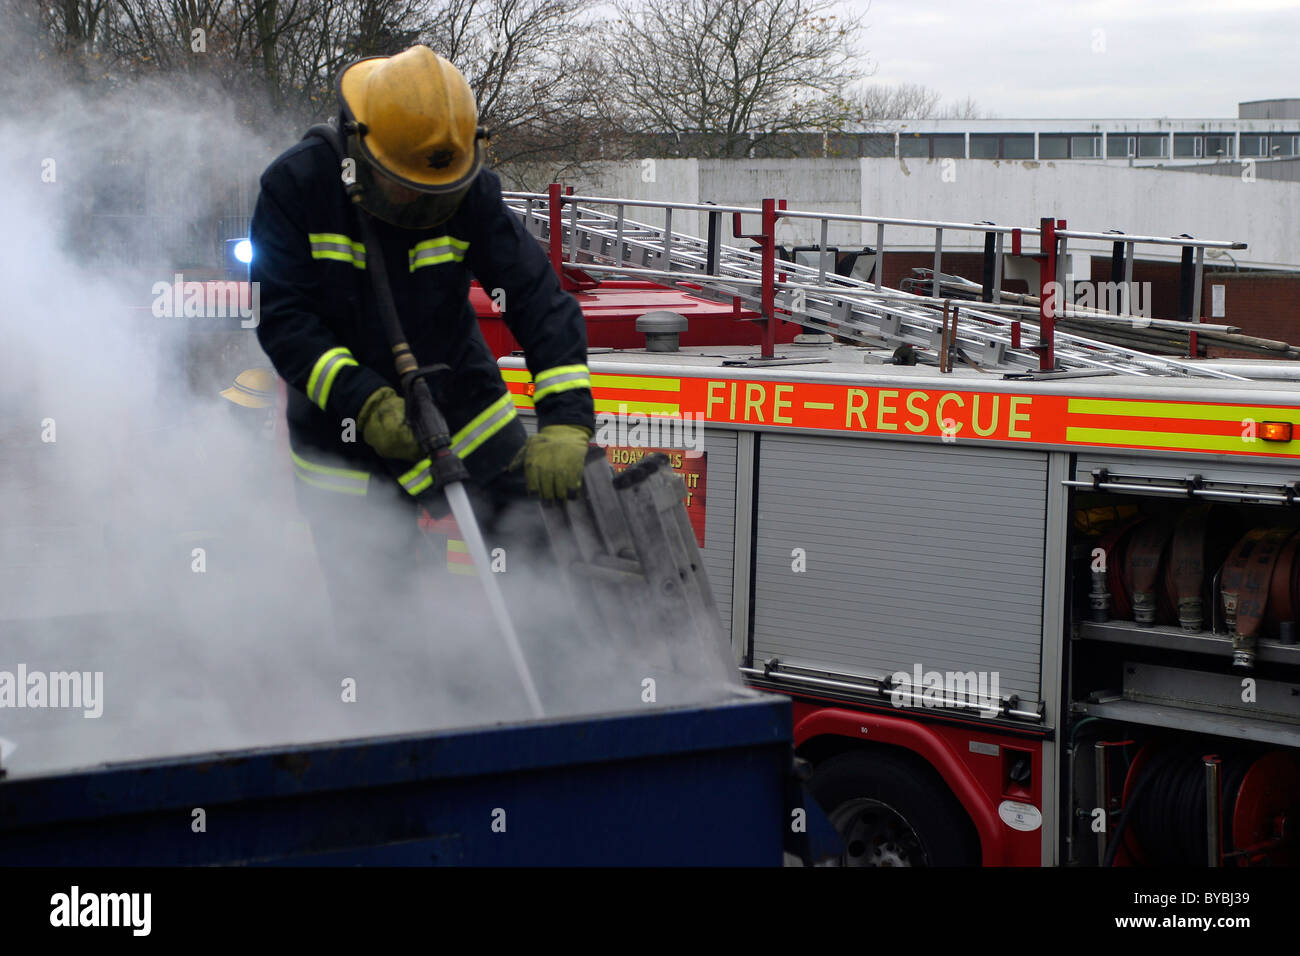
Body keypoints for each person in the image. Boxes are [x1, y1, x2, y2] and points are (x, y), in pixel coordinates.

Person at [249, 45, 594, 638]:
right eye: (408, 186)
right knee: (385, 627)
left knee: (544, 574)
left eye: (442, 188)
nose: (426, 201)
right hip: (346, 449)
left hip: (466, 414)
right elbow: (284, 318)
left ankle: (563, 706)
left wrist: (565, 418)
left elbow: (538, 299)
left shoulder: (468, 193)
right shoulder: (296, 186)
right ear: (362, 151)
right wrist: (366, 400)